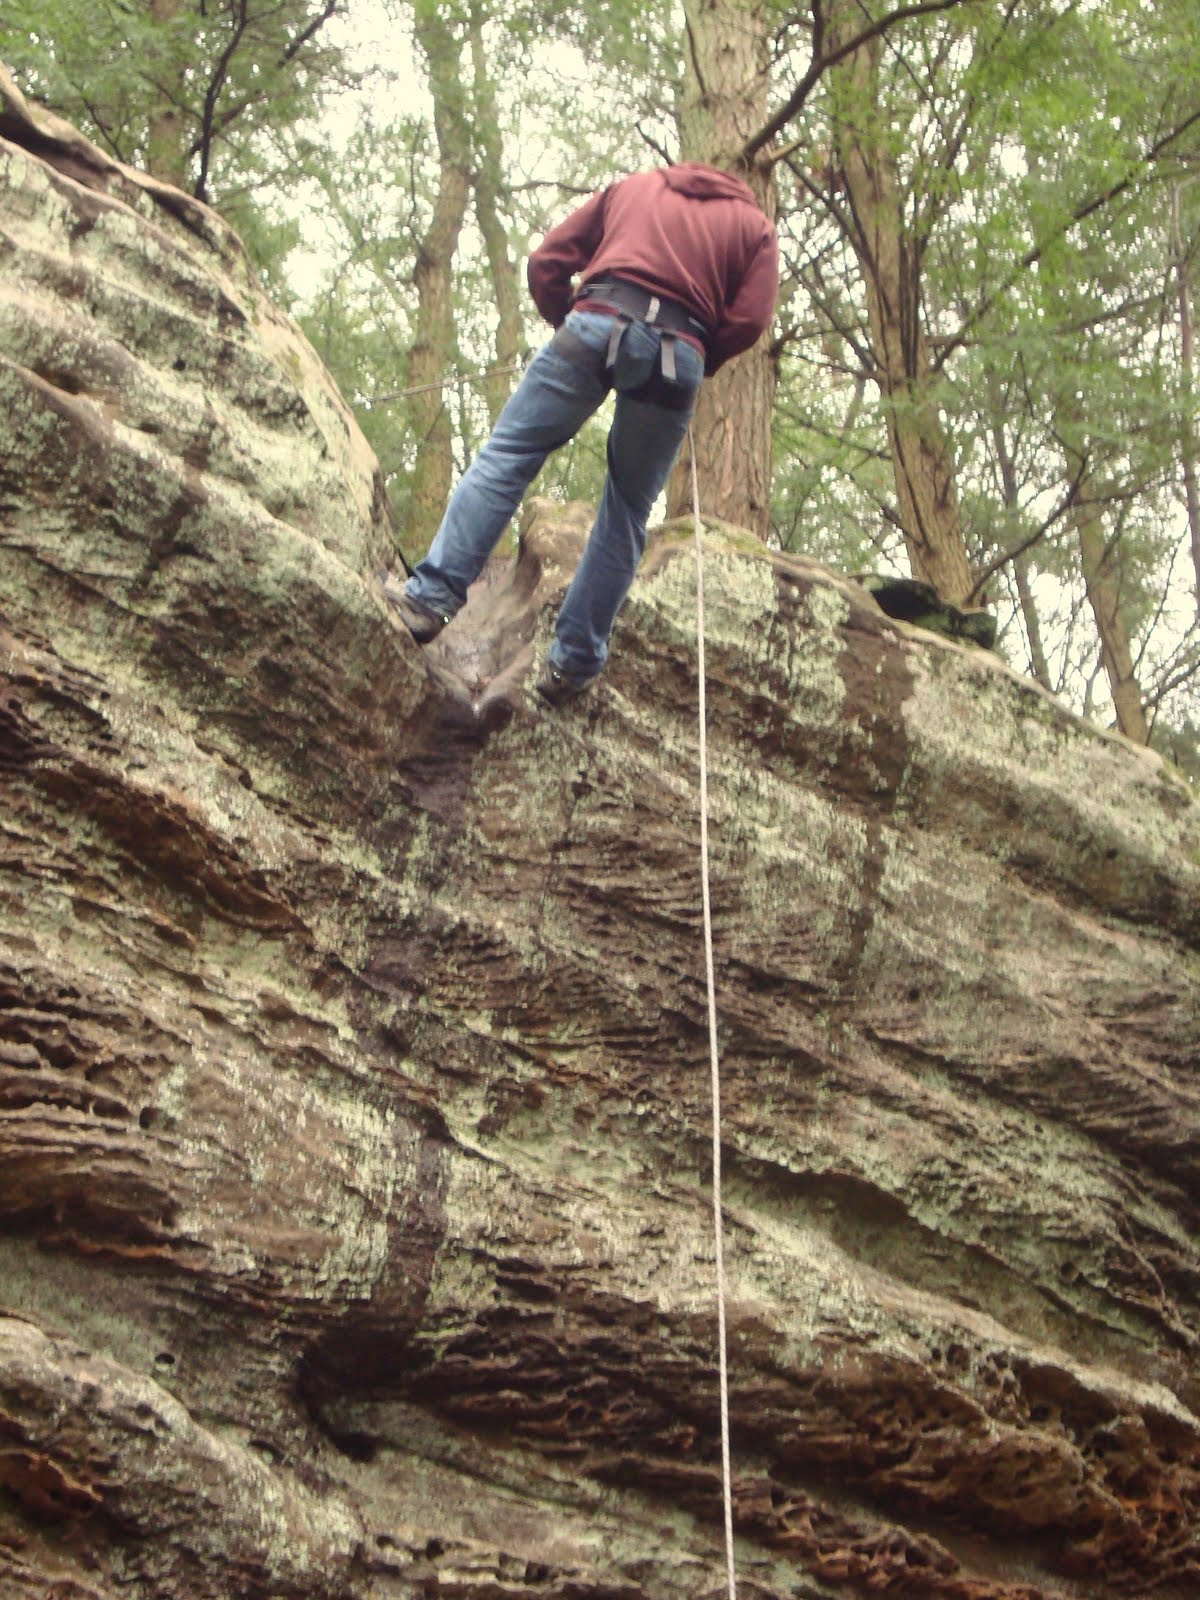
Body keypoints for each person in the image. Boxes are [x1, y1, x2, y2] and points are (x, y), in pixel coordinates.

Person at [388, 162, 780, 706]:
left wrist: (564, 320)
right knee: (627, 511)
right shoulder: (754, 227)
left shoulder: (636, 188)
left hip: (596, 322)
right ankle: (571, 666)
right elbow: (752, 319)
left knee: (508, 455)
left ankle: (429, 599)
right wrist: (700, 358)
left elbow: (548, 260)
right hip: (677, 353)